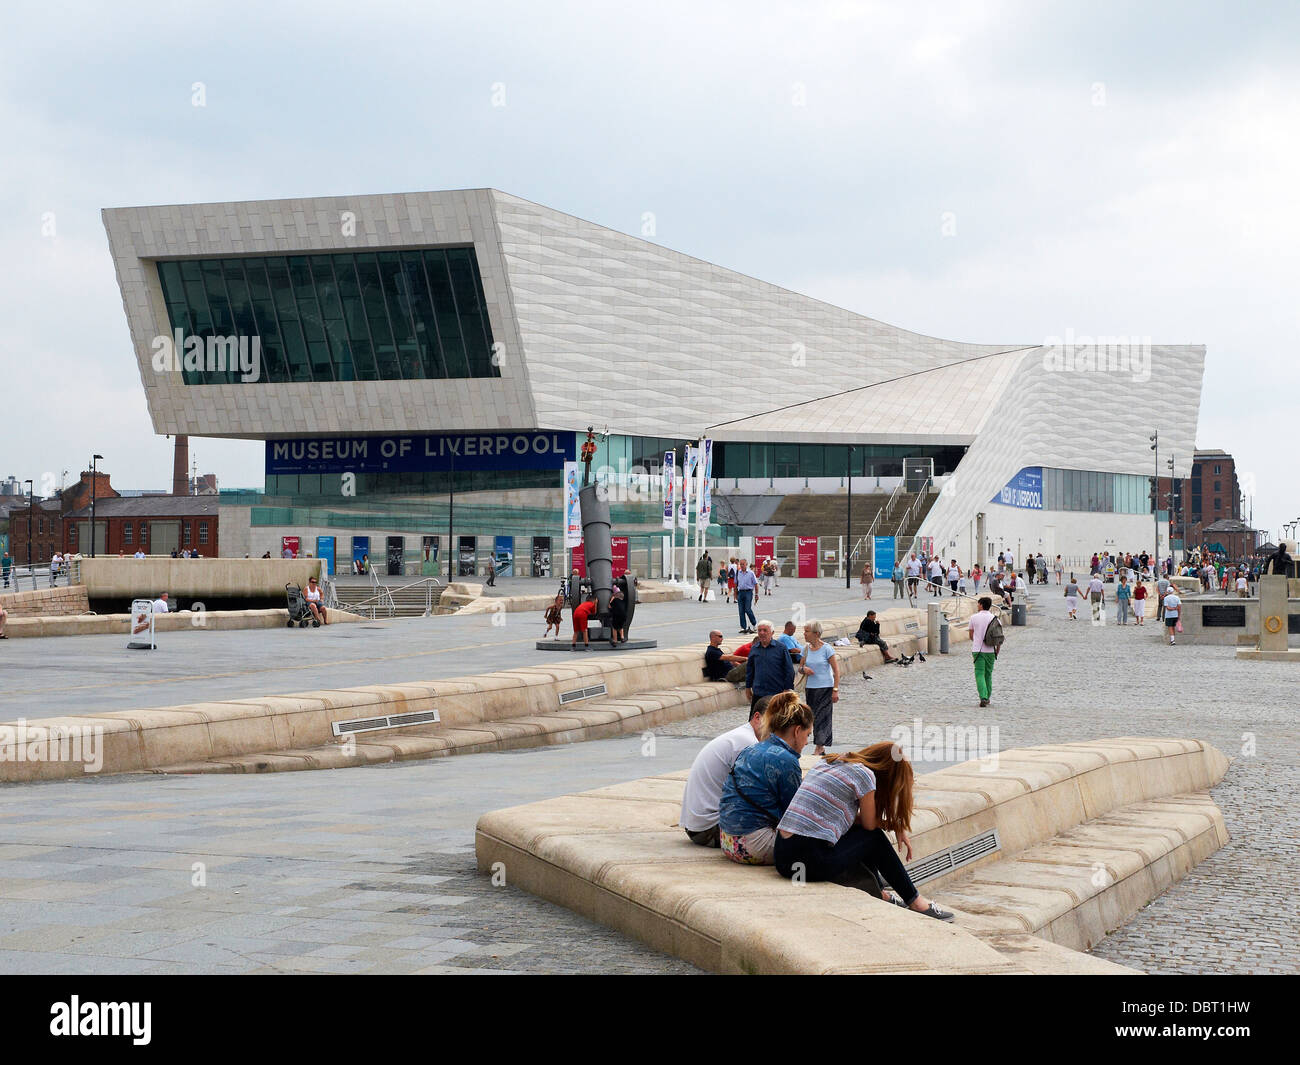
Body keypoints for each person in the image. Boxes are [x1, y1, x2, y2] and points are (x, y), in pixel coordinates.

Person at [774, 742, 955, 920]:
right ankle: (916, 902)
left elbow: (852, 820)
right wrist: (895, 824)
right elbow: (870, 826)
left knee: (861, 835)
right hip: (807, 863)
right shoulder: (864, 775)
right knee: (873, 837)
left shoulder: (828, 761)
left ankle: (881, 892)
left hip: (783, 858)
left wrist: (895, 825)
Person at [717, 691, 812, 865]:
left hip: (727, 840)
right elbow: (793, 815)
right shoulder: (786, 760)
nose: (807, 742)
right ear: (797, 731)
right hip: (752, 846)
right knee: (821, 839)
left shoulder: (751, 749)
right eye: (808, 735)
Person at [679, 699, 767, 847]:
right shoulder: (747, 742)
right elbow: (756, 795)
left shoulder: (742, 735)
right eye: (775, 721)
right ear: (757, 717)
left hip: (697, 825)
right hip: (708, 829)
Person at [799, 621, 840, 756]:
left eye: (807, 631)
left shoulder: (827, 649)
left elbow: (836, 671)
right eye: (804, 631)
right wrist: (804, 669)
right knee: (812, 717)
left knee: (823, 717)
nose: (804, 634)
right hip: (811, 688)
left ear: (816, 634)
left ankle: (819, 747)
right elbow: (800, 668)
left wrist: (835, 690)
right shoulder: (806, 649)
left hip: (826, 688)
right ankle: (819, 746)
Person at [744, 620, 795, 711]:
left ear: (772, 633)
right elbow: (750, 669)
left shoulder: (781, 648)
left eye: (765, 630)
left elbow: (789, 670)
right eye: (759, 630)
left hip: (777, 692)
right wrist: (748, 687)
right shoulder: (754, 649)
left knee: (776, 722)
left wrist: (787, 688)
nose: (762, 633)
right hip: (759, 692)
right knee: (756, 722)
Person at [968, 596, 998, 708]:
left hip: (978, 650)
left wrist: (976, 641)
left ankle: (983, 697)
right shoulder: (995, 618)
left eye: (978, 604)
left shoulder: (973, 618)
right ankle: (988, 697)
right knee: (988, 674)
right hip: (991, 650)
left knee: (979, 673)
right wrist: (997, 651)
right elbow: (998, 637)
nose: (977, 605)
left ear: (981, 605)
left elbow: (971, 634)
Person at [734, 558, 758, 634]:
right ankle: (743, 627)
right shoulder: (738, 573)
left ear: (746, 564)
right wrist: (735, 594)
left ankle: (754, 623)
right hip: (740, 592)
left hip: (748, 592)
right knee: (741, 610)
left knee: (747, 609)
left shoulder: (751, 573)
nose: (741, 566)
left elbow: (756, 584)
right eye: (740, 564)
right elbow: (735, 583)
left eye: (743, 564)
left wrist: (756, 594)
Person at [609, 581, 628, 646]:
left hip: (616, 616)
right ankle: (622, 638)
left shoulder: (614, 600)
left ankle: (615, 640)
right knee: (620, 626)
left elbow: (609, 606)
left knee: (614, 628)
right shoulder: (623, 601)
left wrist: (612, 598)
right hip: (623, 616)